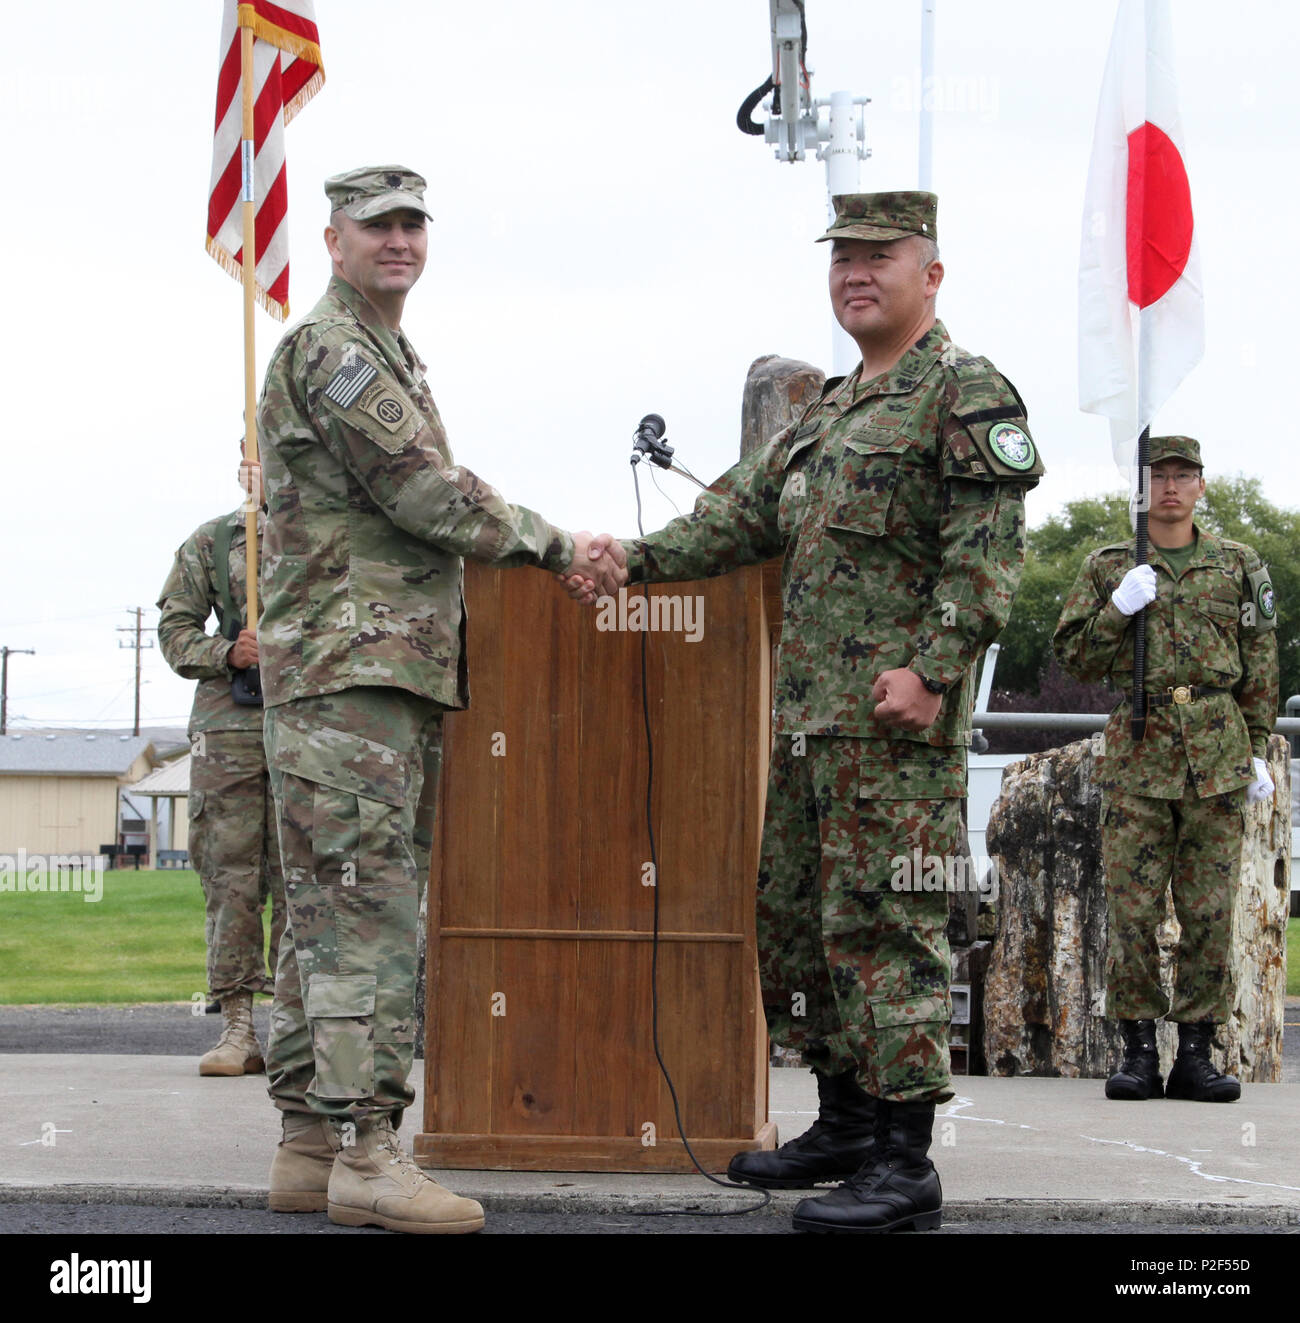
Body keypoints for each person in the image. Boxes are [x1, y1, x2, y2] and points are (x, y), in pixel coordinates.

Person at [567, 192, 1043, 1232]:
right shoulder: (827, 412)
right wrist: (624, 559)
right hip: (805, 727)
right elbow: (732, 518)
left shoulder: (961, 392)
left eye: (880, 256)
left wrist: (930, 670)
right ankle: (843, 1124)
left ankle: (907, 1164)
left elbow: (988, 558)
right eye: (842, 259)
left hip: (891, 730)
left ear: (932, 274)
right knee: (793, 934)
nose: (855, 274)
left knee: (886, 933)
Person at [255, 165, 622, 1235]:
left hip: (367, 675)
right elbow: (421, 492)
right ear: (334, 241)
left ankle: (308, 1145)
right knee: (369, 913)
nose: (400, 241)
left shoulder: (380, 348)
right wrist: (560, 546)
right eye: (378, 227)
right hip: (354, 676)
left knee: (328, 909)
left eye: (414, 223)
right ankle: (369, 1154)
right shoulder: (335, 351)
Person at [1053, 437, 1278, 1103]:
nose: (1172, 487)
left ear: (1202, 486)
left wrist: (1258, 745)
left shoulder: (1238, 565)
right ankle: (1140, 1050)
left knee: (1210, 909)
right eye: (1160, 476)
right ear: (1141, 487)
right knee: (1133, 909)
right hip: (1140, 749)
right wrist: (1116, 610)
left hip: (1215, 750)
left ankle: (1199, 1054)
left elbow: (1259, 661)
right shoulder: (1110, 566)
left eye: (1184, 475)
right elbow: (1075, 658)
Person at [158, 495, 285, 1077]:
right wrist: (226, 651)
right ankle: (238, 1028)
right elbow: (175, 626)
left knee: (302, 868)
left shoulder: (327, 526)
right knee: (228, 871)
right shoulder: (213, 540)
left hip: (312, 719)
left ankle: (294, 1027)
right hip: (228, 725)